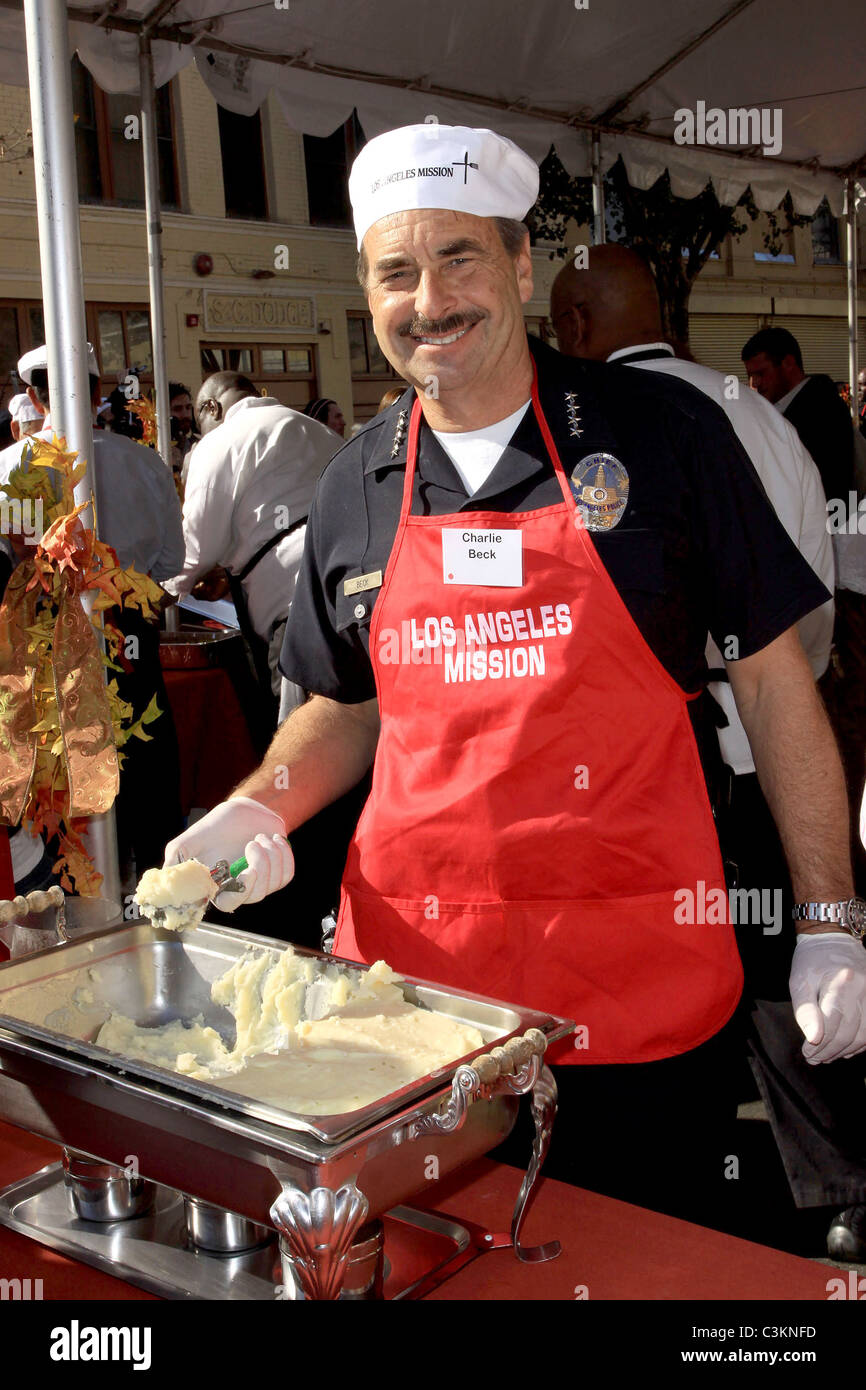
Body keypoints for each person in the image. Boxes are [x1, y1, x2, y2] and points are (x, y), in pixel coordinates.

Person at [162, 124, 866, 1231]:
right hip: (412, 1019)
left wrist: (829, 912)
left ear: (524, 269)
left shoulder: (662, 437)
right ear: (365, 290)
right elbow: (346, 706)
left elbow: (777, 684)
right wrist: (259, 804)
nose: (428, 299)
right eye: (397, 271)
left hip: (634, 998)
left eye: (459, 258)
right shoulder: (356, 477)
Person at [552, 245, 866, 1260]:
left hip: (662, 776)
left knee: (674, 996)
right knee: (791, 988)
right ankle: (833, 1192)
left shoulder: (589, 436)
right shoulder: (762, 420)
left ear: (574, 327)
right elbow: (809, 616)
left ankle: (664, 1220)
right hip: (776, 752)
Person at [0, 342, 185, 881]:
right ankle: (155, 886)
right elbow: (171, 562)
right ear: (99, 391)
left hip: (44, 643)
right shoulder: (143, 461)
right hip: (126, 631)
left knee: (57, 783)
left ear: (33, 395)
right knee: (145, 770)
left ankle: (70, 895)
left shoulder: (10, 465)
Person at [163, 372, 337, 721]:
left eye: (200, 420)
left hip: (294, 611)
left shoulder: (219, 442)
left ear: (211, 407)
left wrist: (160, 595)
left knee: (298, 732)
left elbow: (197, 546)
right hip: (350, 592)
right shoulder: (319, 431)